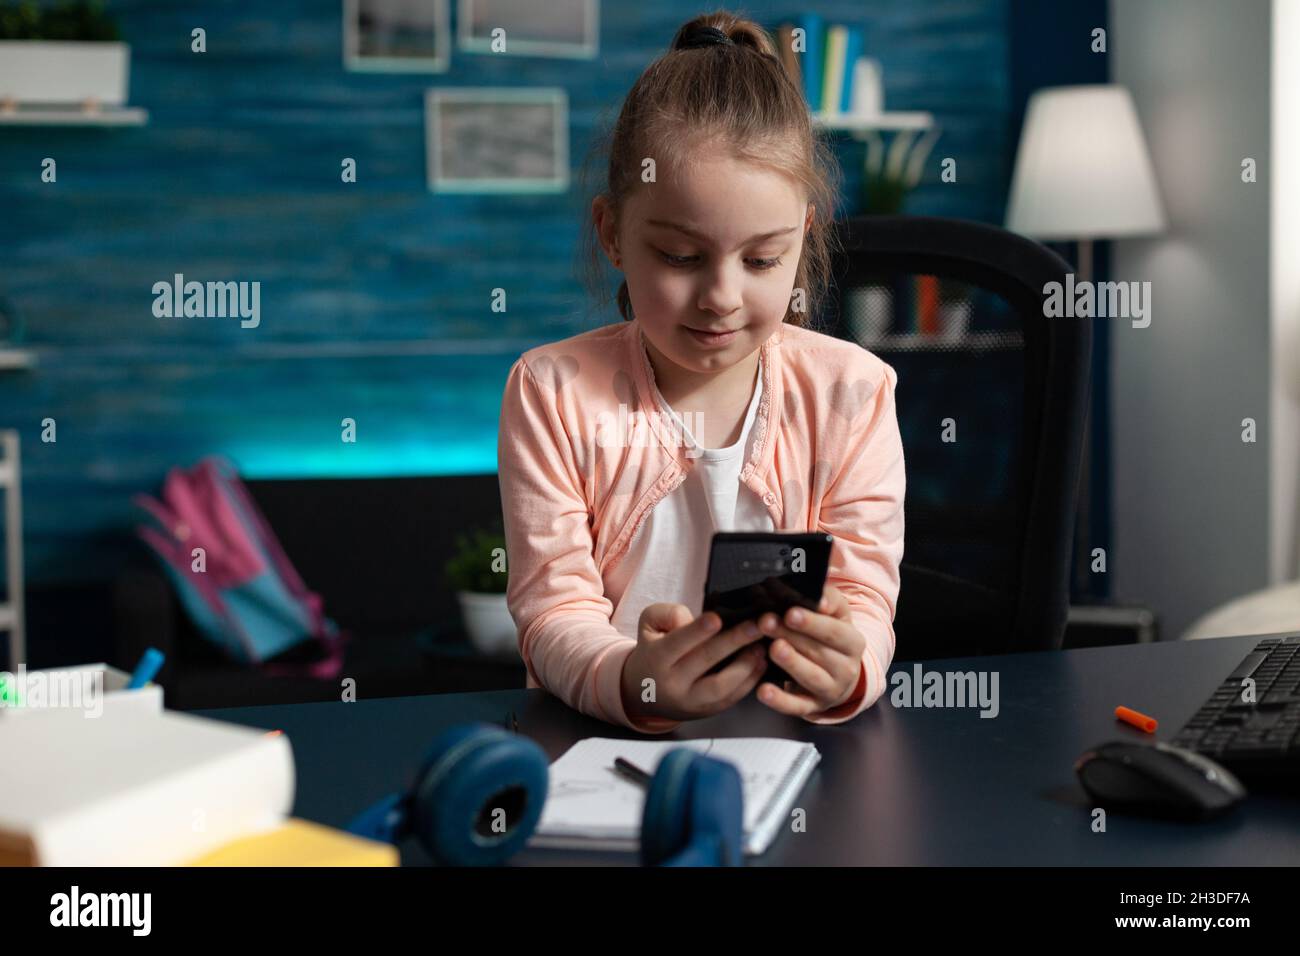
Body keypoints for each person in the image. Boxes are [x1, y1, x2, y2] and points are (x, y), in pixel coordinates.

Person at [497, 11, 906, 733]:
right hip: (605, 739)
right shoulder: (550, 391)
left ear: (802, 240)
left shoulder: (854, 391)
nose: (721, 295)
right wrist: (632, 679)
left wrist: (852, 666)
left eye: (760, 260)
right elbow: (551, 608)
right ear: (613, 233)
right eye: (682, 257)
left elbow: (864, 597)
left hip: (793, 744)